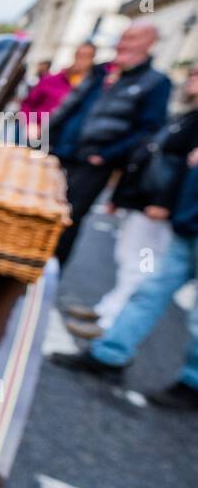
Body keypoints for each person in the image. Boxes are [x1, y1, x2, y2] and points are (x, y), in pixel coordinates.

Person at [51, 135, 198, 412]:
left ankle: (193, 383)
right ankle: (109, 355)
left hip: (188, 223)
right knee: (149, 290)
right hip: (186, 226)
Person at [64, 65, 198, 338]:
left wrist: (163, 202)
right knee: (129, 259)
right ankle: (109, 309)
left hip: (158, 206)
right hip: (144, 200)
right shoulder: (187, 116)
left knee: (142, 267)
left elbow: (182, 170)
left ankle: (112, 321)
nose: (190, 79)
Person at [47, 21, 171, 265]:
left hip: (91, 164)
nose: (123, 44)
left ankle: (45, 279)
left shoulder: (155, 82)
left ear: (149, 43)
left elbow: (148, 131)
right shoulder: (102, 71)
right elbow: (70, 105)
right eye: (123, 38)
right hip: (61, 151)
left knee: (65, 220)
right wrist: (46, 137)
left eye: (132, 39)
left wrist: (106, 155)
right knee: (36, 210)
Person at [18, 42, 96, 142]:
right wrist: (30, 123)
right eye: (79, 55)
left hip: (63, 139)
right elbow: (28, 103)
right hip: (35, 132)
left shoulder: (91, 86)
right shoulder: (51, 79)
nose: (81, 60)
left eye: (86, 56)